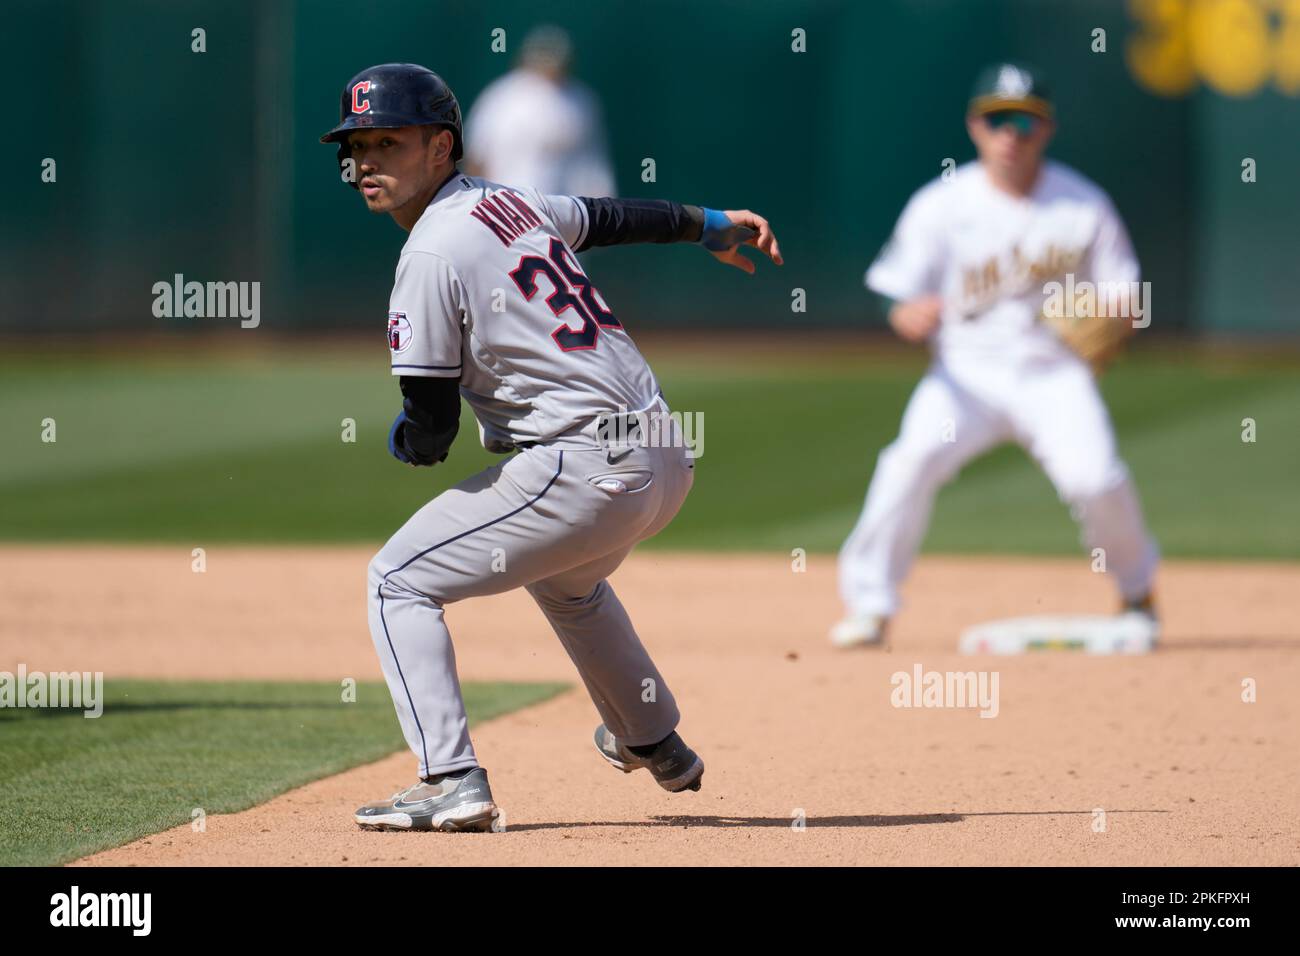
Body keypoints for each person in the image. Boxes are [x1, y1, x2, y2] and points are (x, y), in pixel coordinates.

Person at [319, 63, 783, 831]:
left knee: (397, 581)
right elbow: (610, 217)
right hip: (663, 454)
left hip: (585, 466)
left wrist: (407, 438)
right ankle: (652, 739)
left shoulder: (430, 253)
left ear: (441, 148)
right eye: (357, 145)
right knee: (568, 585)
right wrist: (705, 222)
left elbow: (430, 432)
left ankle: (451, 777)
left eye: (388, 142)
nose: (366, 161)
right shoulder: (509, 203)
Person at [831, 63, 1159, 650]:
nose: (1012, 133)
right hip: (965, 377)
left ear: (1048, 129)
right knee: (908, 464)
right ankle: (870, 607)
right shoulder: (942, 203)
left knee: (1096, 478)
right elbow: (895, 288)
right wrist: (903, 313)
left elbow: (1127, 294)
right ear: (975, 127)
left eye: (1025, 122)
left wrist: (1115, 314)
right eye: (997, 119)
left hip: (1053, 373)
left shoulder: (1083, 205)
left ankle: (1137, 592)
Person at [463, 25, 616, 197]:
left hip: (566, 212)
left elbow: (593, 163)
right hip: (508, 208)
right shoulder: (501, 97)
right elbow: (477, 158)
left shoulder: (583, 101)